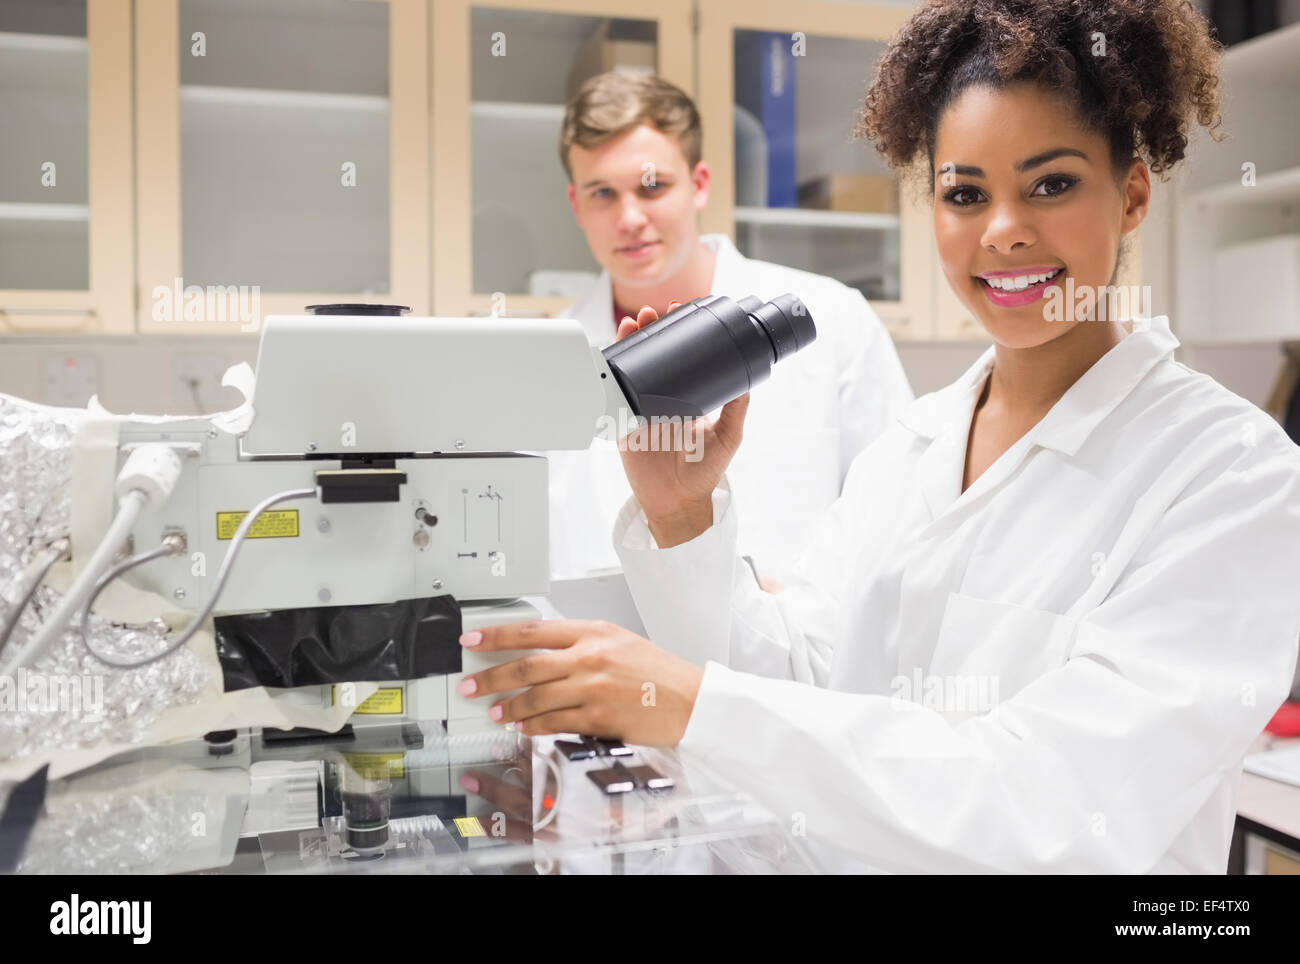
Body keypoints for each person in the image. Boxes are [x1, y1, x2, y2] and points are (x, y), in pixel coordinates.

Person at [459, 0, 1300, 873]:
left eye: (1051, 183)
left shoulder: (1230, 474)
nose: (1004, 229)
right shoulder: (916, 444)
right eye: (964, 193)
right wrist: (681, 518)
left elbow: (1055, 805)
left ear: (1130, 196)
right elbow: (798, 679)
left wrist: (688, 703)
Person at [546, 72, 913, 589]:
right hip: (607, 658)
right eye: (602, 192)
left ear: (698, 185)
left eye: (652, 186)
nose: (629, 217)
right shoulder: (543, 364)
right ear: (576, 204)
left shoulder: (832, 319)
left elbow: (902, 513)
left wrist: (793, 610)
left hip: (791, 660)